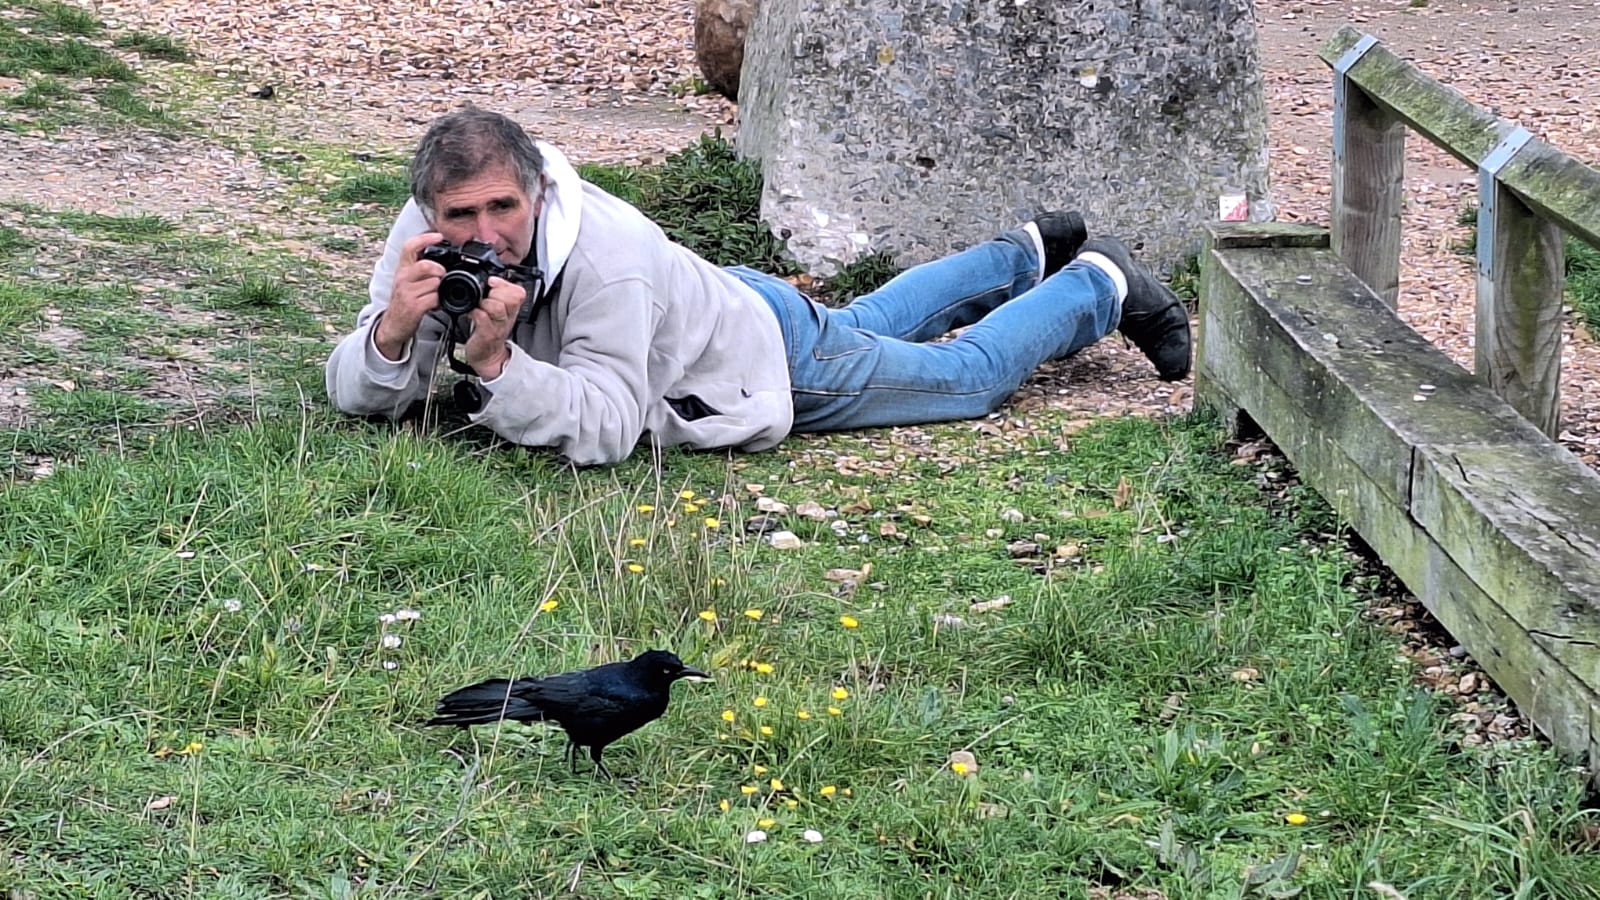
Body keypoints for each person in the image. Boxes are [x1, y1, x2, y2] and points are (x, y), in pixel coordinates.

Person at [325, 107, 1192, 466]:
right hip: (717, 300)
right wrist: (390, 337)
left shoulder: (609, 255)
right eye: (460, 216)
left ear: (539, 192)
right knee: (860, 322)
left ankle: (1098, 282)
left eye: (502, 209)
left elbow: (610, 426)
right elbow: (359, 389)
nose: (482, 236)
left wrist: (494, 362)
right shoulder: (427, 232)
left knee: (965, 380)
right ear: (428, 205)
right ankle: (1027, 250)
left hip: (753, 357)